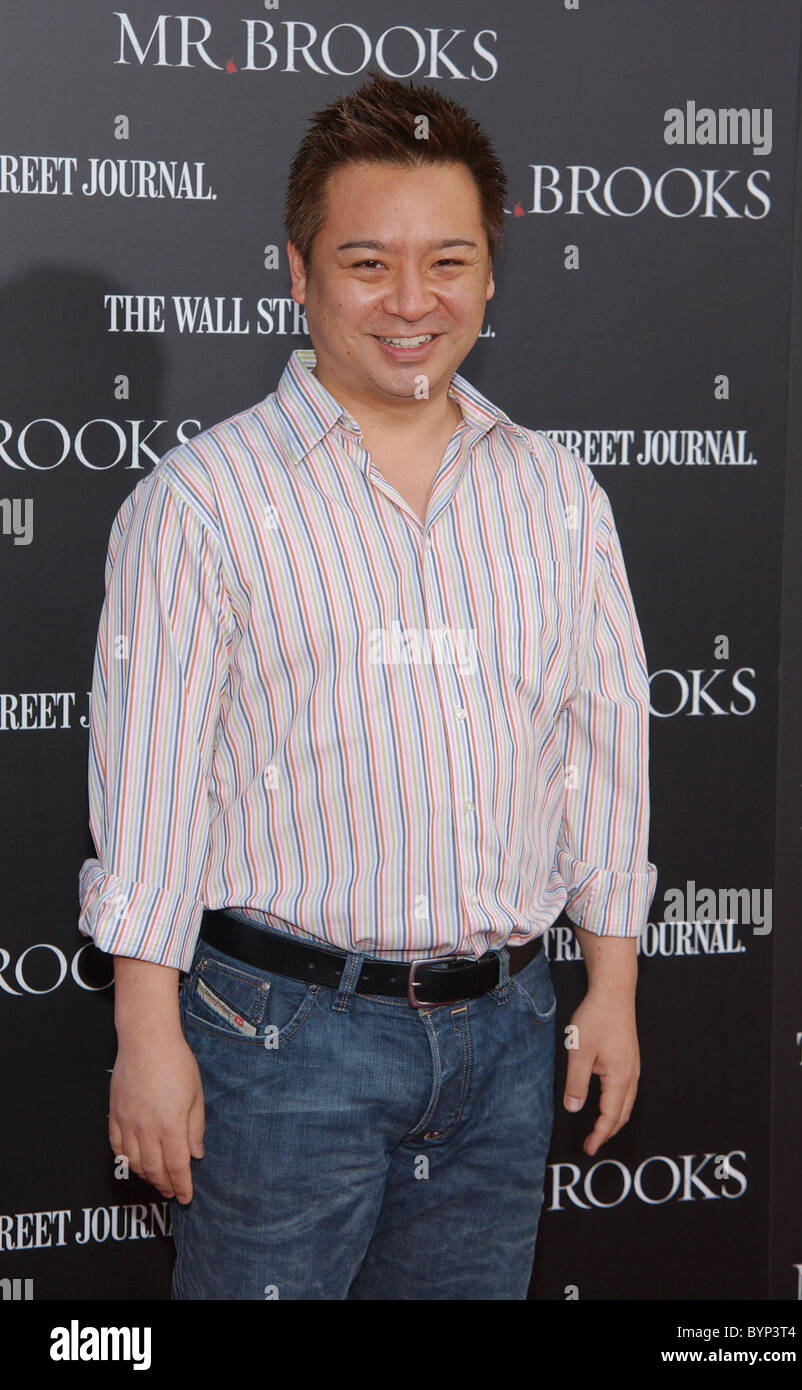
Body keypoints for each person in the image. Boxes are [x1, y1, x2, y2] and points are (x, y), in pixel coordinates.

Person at [78, 70, 657, 1300]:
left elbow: (600, 752)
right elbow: (152, 792)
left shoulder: (560, 499)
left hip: (508, 1037)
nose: (411, 303)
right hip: (281, 1041)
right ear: (297, 272)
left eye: (446, 262)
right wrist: (146, 1036)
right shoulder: (200, 506)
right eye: (365, 263)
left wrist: (611, 987)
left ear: (491, 270)